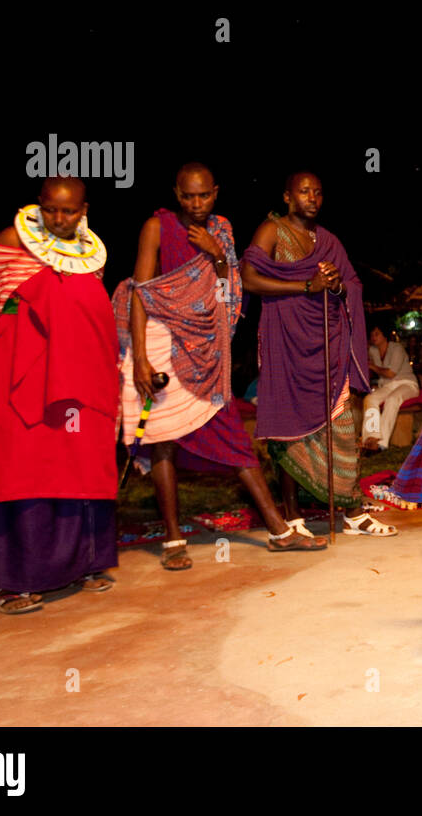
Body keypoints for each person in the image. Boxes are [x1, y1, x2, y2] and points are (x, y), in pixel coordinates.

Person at [117, 164, 326, 571]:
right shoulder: (155, 227)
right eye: (188, 197)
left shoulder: (223, 230)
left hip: (203, 350)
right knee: (163, 439)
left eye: (204, 196)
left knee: (230, 430)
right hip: (159, 342)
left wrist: (215, 256)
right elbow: (141, 295)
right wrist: (140, 358)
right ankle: (174, 538)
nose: (196, 204)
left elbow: (226, 292)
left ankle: (279, 531)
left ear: (216, 193)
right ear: (176, 194)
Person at [0, 176, 119, 613]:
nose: (60, 219)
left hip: (72, 382)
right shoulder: (7, 244)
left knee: (73, 463)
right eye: (51, 210)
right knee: (15, 466)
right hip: (13, 379)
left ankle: (80, 563)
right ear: (37, 205)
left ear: (84, 210)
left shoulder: (90, 253)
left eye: (69, 211)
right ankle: (10, 581)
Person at [242, 172, 395, 537]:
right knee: (289, 431)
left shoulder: (329, 241)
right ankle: (292, 516)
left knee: (342, 425)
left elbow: (352, 285)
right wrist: (305, 285)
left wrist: (338, 285)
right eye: (304, 191)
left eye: (318, 192)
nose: (312, 198)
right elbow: (248, 277)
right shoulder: (271, 230)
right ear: (287, 196)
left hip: (326, 348)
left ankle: (352, 511)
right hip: (286, 346)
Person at [363, 323, 419, 451]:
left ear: (385, 336)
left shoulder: (396, 348)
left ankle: (381, 443)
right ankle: (371, 437)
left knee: (392, 399)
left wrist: (372, 366)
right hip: (388, 385)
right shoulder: (374, 351)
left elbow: (390, 373)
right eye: (372, 335)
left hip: (407, 383)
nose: (373, 337)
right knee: (370, 399)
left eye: (377, 334)